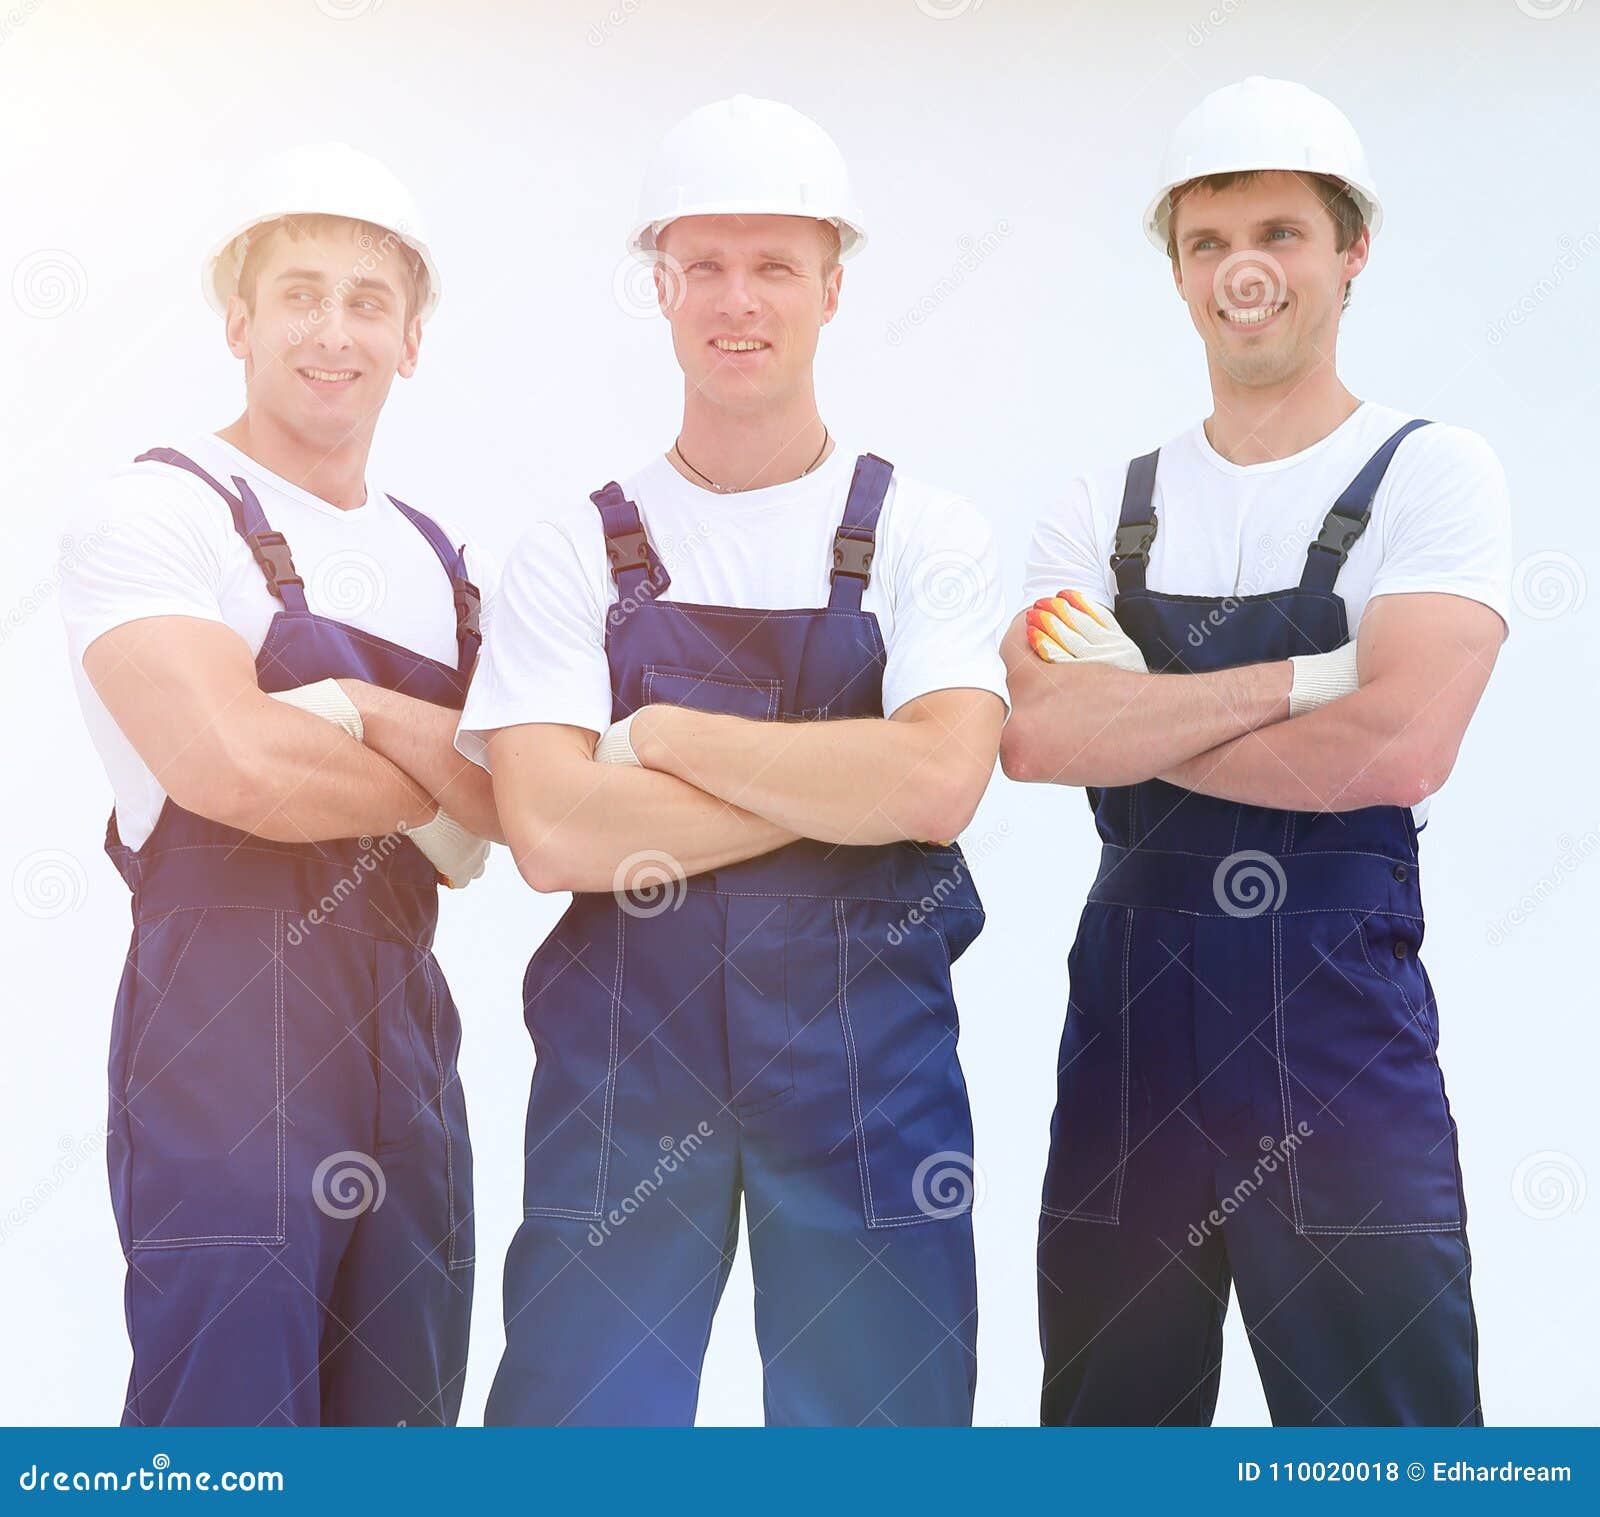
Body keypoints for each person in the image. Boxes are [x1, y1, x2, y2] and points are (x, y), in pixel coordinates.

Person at [457, 95, 1008, 1426]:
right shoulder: (572, 549)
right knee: (573, 1443)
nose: (737, 298)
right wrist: (841, 779)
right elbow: (554, 836)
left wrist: (666, 743)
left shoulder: (931, 532)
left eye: (774, 265)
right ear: (660, 285)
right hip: (624, 1076)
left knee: (883, 1450)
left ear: (832, 285)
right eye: (704, 264)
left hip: (869, 1072)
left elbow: (940, 785)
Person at [1002, 77, 1510, 1426]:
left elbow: (1399, 744)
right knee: (1111, 1443)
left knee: (1393, 1458)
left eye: (1280, 233)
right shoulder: (1099, 506)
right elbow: (1042, 733)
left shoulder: (1431, 472)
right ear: (1175, 269)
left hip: (1338, 1040)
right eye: (1209, 242)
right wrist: (1307, 677)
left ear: (1352, 254)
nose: (1245, 271)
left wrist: (1141, 713)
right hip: (1128, 1040)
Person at [58, 142, 497, 1426]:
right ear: (238, 318)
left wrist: (341, 711)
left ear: (412, 338)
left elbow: (510, 813)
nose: (333, 331)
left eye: (368, 301)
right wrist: (415, 743)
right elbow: (230, 763)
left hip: (408, 1032)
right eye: (299, 293)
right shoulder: (154, 511)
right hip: (223, 1026)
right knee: (227, 1421)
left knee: (403, 1417)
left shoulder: (437, 559)